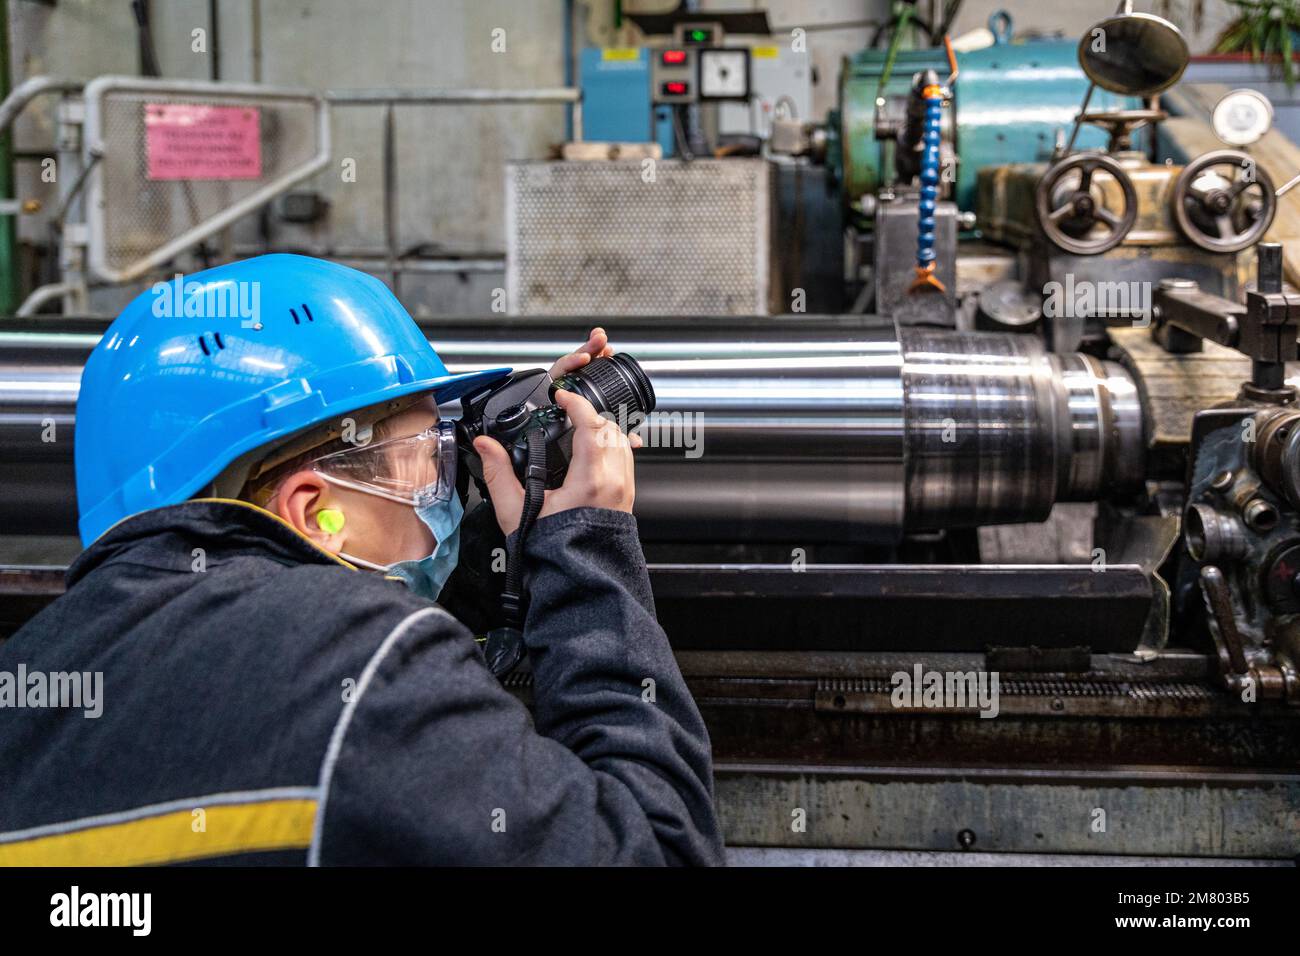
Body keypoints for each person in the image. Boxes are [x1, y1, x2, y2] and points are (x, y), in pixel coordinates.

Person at [0, 254, 725, 866]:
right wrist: (586, 551)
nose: (447, 487)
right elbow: (661, 848)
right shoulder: (365, 664)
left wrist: (502, 547)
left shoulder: (35, 680)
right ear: (316, 512)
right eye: (430, 458)